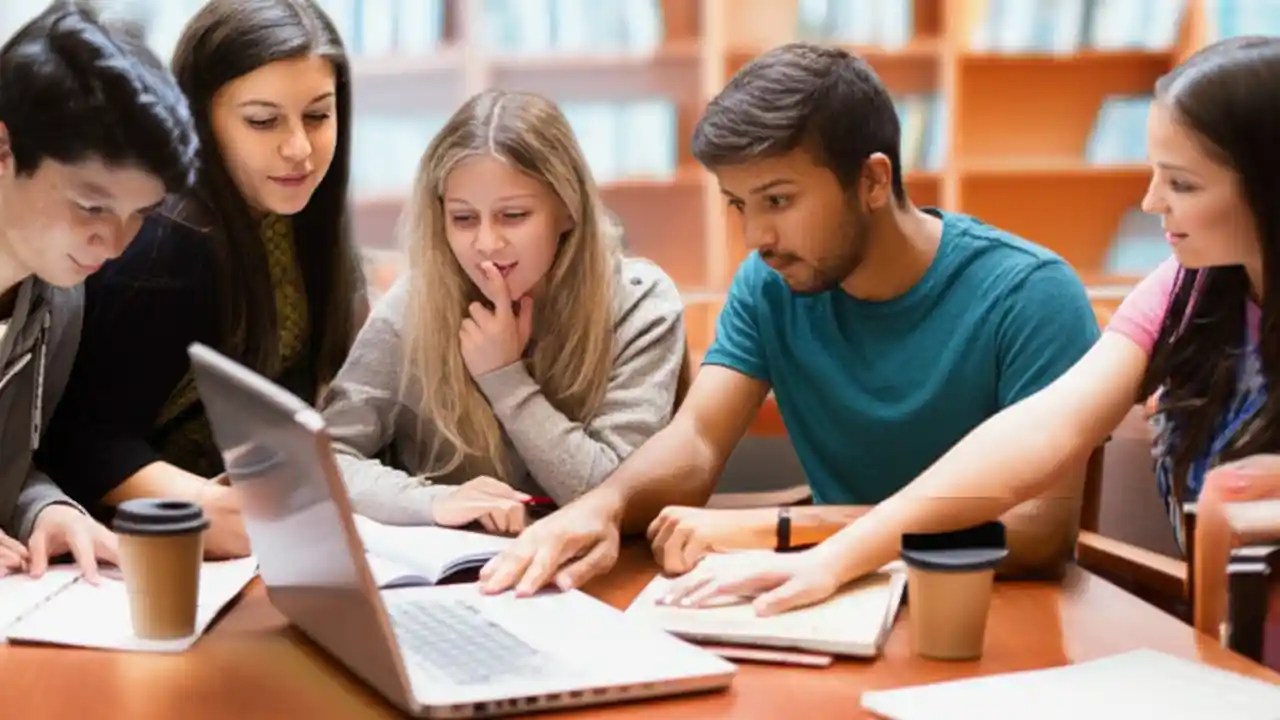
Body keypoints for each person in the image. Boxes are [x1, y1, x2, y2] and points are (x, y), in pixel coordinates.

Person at [654, 35, 1280, 624]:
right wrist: (829, 560)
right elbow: (1039, 431)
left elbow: (1039, 526)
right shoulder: (1183, 285)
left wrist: (812, 543)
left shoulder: (1028, 288)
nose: (1150, 202)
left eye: (1182, 183)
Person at [477, 42, 1099, 597]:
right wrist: (603, 506)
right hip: (827, 595)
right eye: (738, 205)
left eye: (778, 200)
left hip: (988, 615)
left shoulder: (1030, 295)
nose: (755, 236)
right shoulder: (772, 285)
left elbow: (1038, 532)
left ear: (874, 181)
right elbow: (697, 439)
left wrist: (784, 529)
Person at [39, 0, 364, 559]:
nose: (300, 149)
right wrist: (198, 502)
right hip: (135, 547)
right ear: (199, 117)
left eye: (318, 115)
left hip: (254, 540)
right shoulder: (163, 241)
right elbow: (78, 438)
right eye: (263, 121)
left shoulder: (303, 213)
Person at [319, 89, 686, 534]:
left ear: (567, 211)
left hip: (601, 575)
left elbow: (610, 495)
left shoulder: (640, 303)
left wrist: (506, 380)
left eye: (513, 216)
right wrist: (435, 501)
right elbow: (326, 459)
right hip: (457, 577)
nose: (487, 244)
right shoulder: (415, 303)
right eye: (463, 219)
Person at [0, 0, 198, 580]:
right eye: (91, 205)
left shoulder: (60, 295)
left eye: (138, 213)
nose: (113, 244)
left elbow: (10, 464)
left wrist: (44, 508)